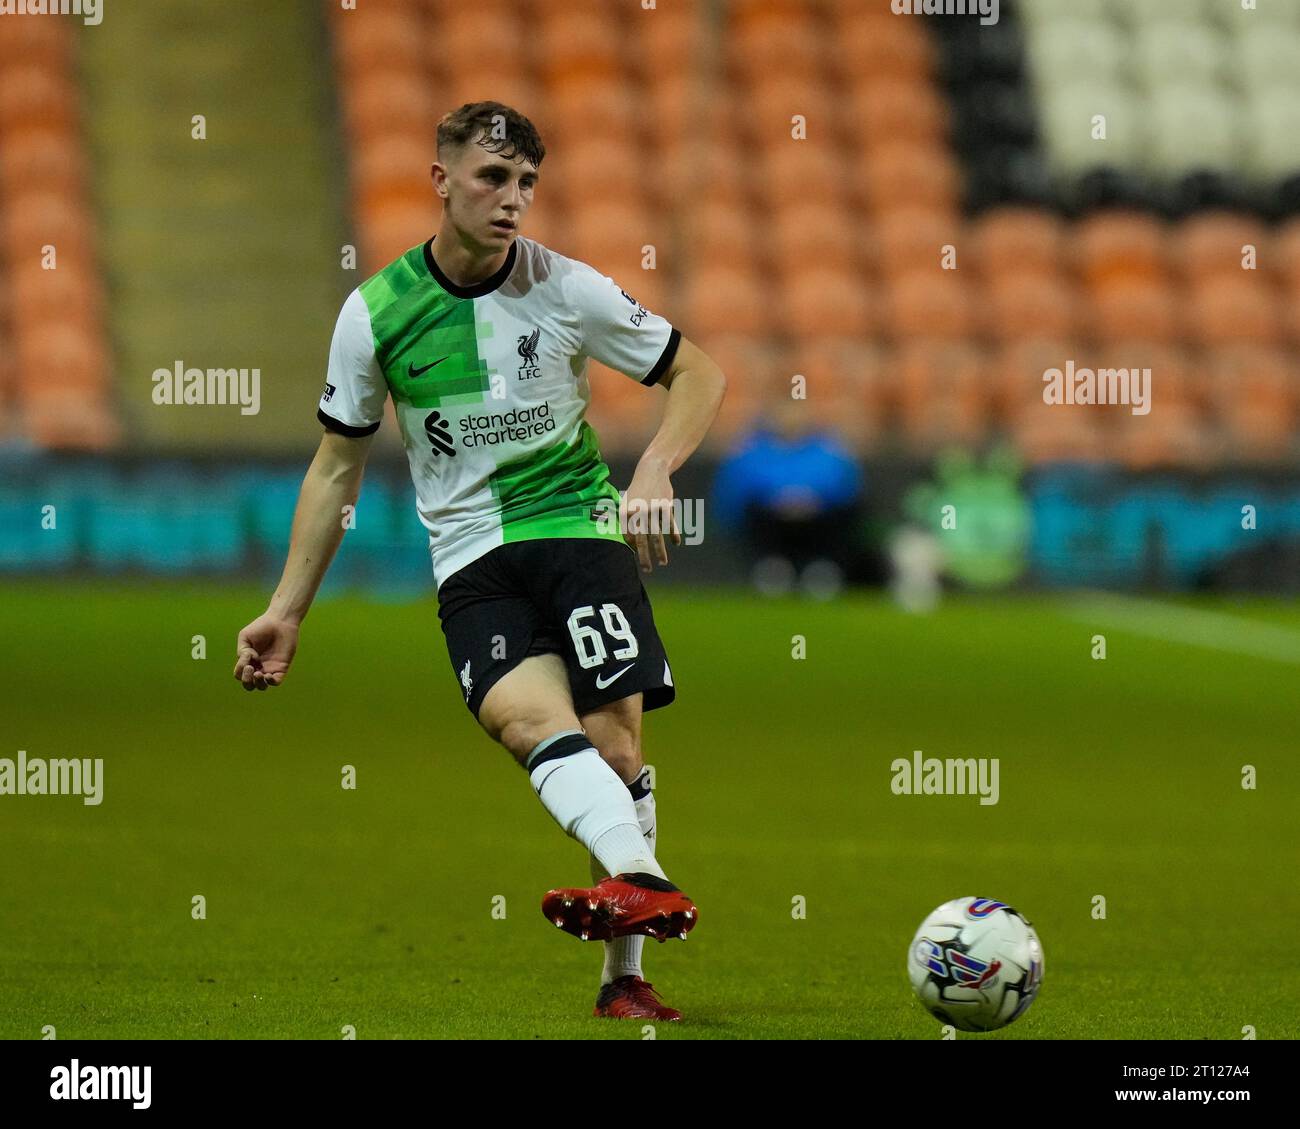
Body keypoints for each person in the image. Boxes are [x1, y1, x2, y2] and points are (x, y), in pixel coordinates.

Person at [233, 102, 725, 1021]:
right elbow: (336, 462)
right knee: (526, 726)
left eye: (527, 183)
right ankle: (647, 881)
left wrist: (655, 466)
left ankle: (624, 978)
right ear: (442, 179)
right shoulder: (375, 312)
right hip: (470, 559)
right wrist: (287, 609)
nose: (512, 200)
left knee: (616, 751)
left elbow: (699, 371)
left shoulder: (567, 287)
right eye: (494, 178)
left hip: (578, 531)